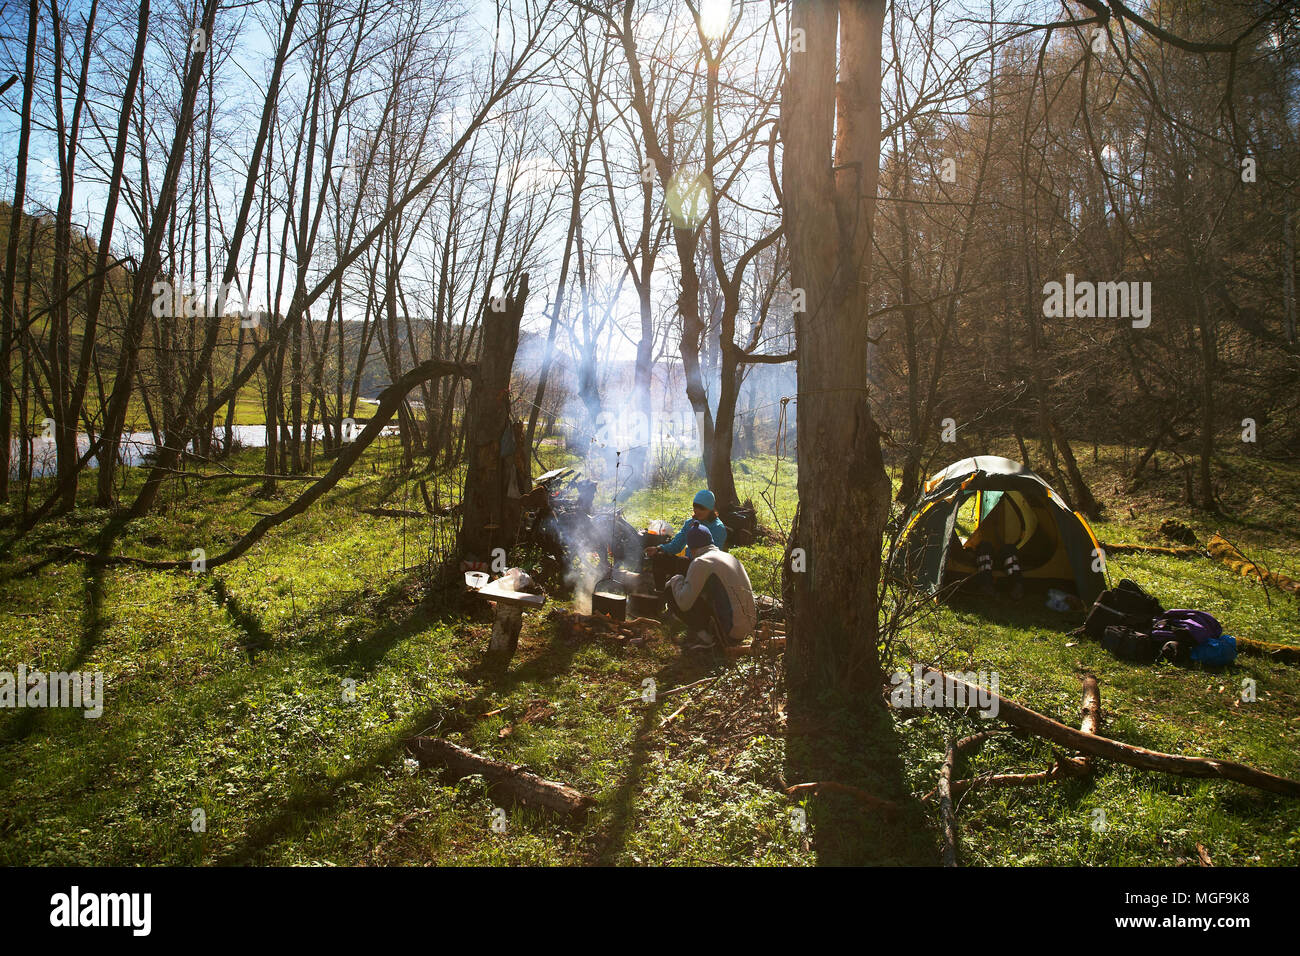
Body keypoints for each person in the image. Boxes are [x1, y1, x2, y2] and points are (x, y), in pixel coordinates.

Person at [665, 522, 756, 650]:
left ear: (691, 547)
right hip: (747, 627)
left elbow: (684, 603)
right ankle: (712, 631)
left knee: (671, 589)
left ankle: (708, 638)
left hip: (731, 632)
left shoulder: (701, 562)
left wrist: (676, 579)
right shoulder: (729, 557)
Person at [645, 488, 728, 590]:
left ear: (710, 509)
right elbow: (676, 545)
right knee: (660, 558)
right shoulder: (690, 523)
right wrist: (658, 549)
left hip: (706, 569)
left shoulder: (718, 528)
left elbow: (713, 556)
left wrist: (693, 561)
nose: (697, 511)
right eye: (695, 507)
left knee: (682, 563)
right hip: (687, 564)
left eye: (701, 508)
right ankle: (660, 593)